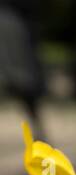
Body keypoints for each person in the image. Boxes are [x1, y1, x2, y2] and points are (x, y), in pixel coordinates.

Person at [0, 0, 46, 138]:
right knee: (27, 95)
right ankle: (40, 133)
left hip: (11, 28)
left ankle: (40, 134)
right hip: (13, 26)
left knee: (27, 93)